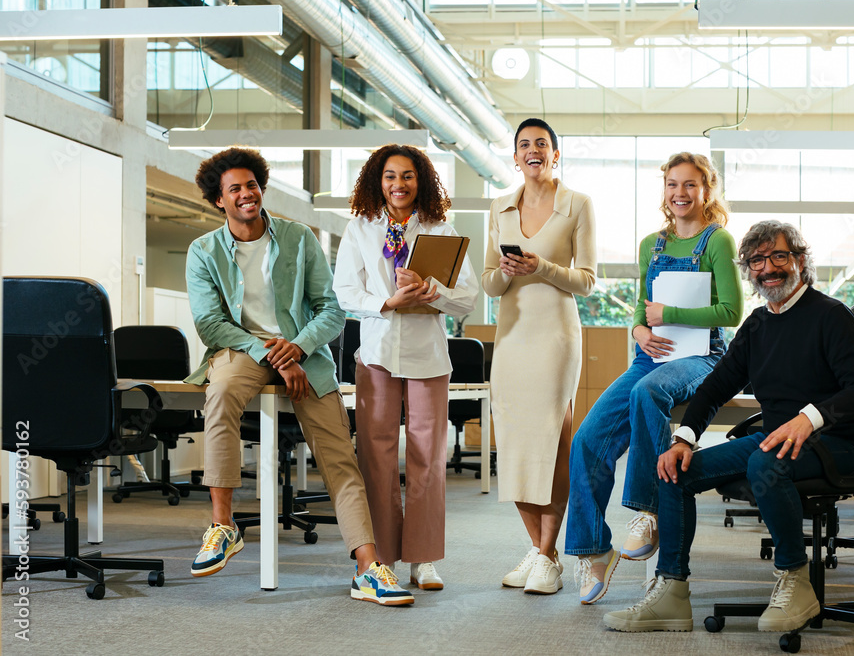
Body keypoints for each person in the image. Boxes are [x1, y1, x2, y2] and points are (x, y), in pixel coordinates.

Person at [603, 219, 854, 633]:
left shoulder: (831, 315)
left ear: (800, 261)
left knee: (763, 463)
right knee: (673, 469)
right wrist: (684, 438)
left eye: (778, 256)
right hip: (774, 440)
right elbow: (716, 387)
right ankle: (671, 594)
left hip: (839, 442)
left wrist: (809, 418)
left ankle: (795, 579)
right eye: (756, 260)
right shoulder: (757, 325)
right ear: (748, 271)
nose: (767, 267)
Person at [185, 147, 412, 606]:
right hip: (243, 347)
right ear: (219, 201)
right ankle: (222, 525)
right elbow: (210, 323)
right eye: (235, 189)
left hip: (302, 351)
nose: (247, 194)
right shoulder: (203, 251)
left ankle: (368, 567)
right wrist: (270, 352)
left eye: (252, 185)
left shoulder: (298, 238)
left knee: (338, 456)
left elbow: (331, 310)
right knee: (221, 392)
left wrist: (300, 348)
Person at [565, 152, 743, 604]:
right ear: (663, 189)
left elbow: (732, 312)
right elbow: (640, 308)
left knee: (649, 393)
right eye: (672, 185)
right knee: (587, 439)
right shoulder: (652, 245)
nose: (680, 193)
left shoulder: (717, 241)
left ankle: (646, 510)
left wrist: (671, 313)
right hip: (650, 355)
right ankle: (594, 550)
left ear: (707, 190)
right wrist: (640, 327)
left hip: (703, 355)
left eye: (690, 185)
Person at [333, 144, 478, 591]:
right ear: (378, 179)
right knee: (374, 456)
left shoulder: (441, 229)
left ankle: (424, 557)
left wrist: (433, 290)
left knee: (426, 456)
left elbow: (468, 296)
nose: (399, 184)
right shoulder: (359, 229)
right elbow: (344, 291)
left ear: (423, 181)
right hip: (377, 352)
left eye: (409, 176)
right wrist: (386, 302)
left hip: (427, 355)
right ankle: (383, 557)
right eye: (391, 175)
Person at [482, 118, 597, 595]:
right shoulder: (499, 207)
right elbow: (488, 283)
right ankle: (539, 550)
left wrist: (541, 266)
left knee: (553, 441)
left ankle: (550, 555)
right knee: (511, 442)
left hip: (554, 336)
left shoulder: (578, 205)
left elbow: (588, 280)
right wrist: (507, 271)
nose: (533, 150)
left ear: (555, 155)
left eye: (542, 144)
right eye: (524, 144)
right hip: (511, 335)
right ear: (515, 157)